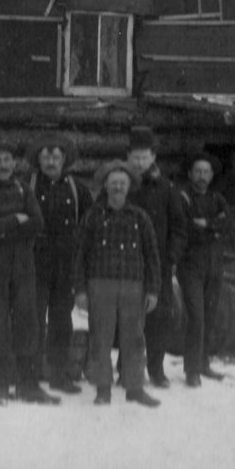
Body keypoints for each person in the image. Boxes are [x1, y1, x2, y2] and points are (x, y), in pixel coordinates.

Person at [0, 140, 57, 405]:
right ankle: (1, 385)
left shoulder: (23, 188)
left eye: (7, 159)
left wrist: (1, 225)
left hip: (22, 264)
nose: (2, 165)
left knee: (27, 322)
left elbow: (37, 223)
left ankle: (28, 384)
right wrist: (16, 219)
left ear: (15, 163)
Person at [73, 163, 161, 408]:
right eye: (113, 182)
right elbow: (80, 254)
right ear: (106, 186)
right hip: (100, 284)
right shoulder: (93, 216)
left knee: (134, 338)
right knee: (101, 337)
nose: (118, 186)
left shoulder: (140, 217)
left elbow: (152, 256)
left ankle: (134, 388)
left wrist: (153, 289)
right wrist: (80, 289)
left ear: (129, 186)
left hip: (134, 286)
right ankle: (103, 389)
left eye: (122, 182)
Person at [125, 125, 186, 388]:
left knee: (158, 318)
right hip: (125, 264)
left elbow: (179, 228)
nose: (139, 162)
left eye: (144, 157)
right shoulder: (121, 184)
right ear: (128, 157)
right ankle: (126, 368)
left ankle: (156, 369)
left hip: (158, 265)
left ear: (153, 158)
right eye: (135, 157)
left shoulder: (167, 189)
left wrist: (170, 258)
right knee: (127, 316)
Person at [30, 135, 92, 393]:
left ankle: (58, 375)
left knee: (61, 320)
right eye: (46, 157)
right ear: (38, 160)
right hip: (35, 263)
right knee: (33, 320)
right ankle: (30, 375)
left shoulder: (78, 189)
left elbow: (89, 226)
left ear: (64, 160)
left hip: (66, 264)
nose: (51, 162)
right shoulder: (28, 186)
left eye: (56, 157)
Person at [180, 153, 231, 387]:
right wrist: (213, 227)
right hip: (191, 264)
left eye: (206, 172)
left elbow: (228, 222)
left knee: (209, 317)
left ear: (211, 175)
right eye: (198, 171)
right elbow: (187, 226)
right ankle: (192, 370)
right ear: (190, 173)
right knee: (196, 317)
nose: (202, 176)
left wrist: (208, 224)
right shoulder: (182, 198)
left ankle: (203, 363)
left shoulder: (217, 198)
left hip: (214, 264)